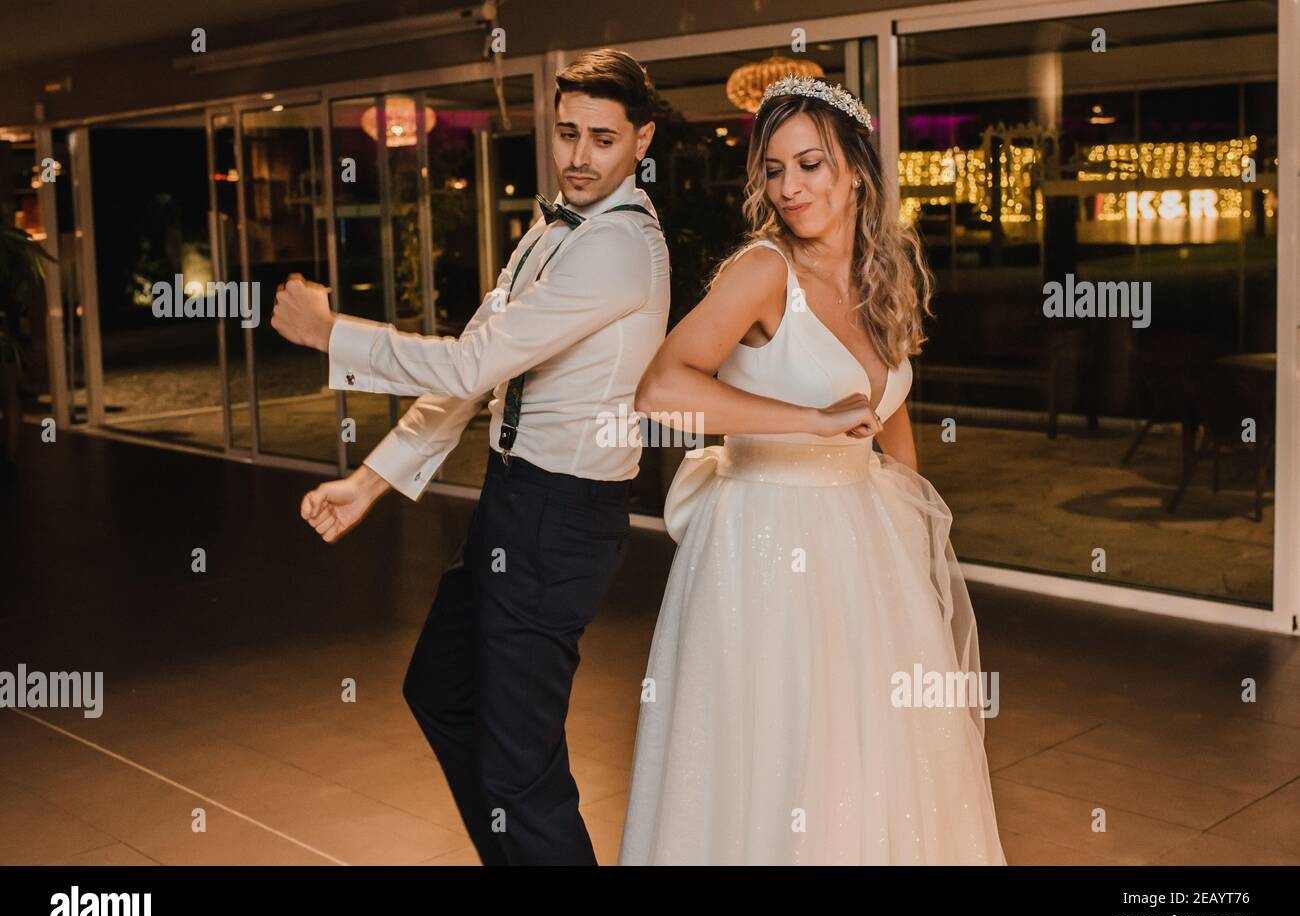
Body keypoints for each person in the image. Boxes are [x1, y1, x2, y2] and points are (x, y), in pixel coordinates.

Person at [269, 49, 670, 865]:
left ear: (641, 141)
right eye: (567, 134)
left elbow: (464, 367)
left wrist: (331, 333)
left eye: (602, 138)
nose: (579, 156)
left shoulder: (618, 248)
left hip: (561, 517)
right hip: (513, 500)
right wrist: (369, 480)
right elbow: (478, 371)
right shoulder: (553, 231)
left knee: (521, 770)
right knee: (440, 692)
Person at [621, 75, 1006, 865]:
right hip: (763, 538)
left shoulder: (883, 274)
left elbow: (889, 411)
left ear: (856, 171)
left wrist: (920, 554)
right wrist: (813, 422)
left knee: (871, 752)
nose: (788, 188)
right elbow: (661, 388)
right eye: (773, 169)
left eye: (810, 165)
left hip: (864, 545)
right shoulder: (763, 271)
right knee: (782, 746)